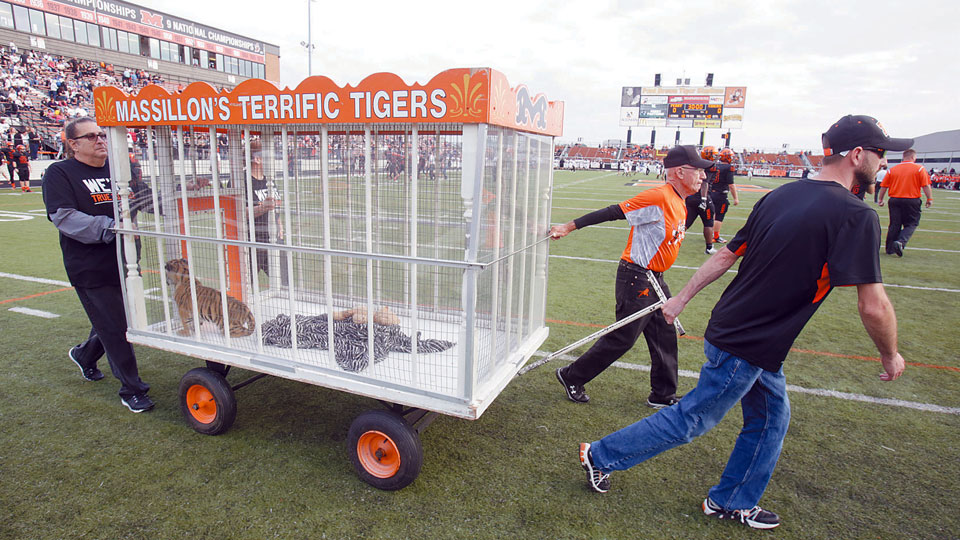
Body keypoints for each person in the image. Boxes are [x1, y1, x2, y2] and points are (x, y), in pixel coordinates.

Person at [574, 115, 908, 530]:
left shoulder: (782, 195)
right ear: (858, 155)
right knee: (694, 417)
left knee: (771, 418)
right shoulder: (856, 215)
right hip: (749, 340)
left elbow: (725, 254)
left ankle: (732, 499)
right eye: (880, 153)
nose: (883, 163)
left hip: (744, 333)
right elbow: (872, 304)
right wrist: (890, 354)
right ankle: (602, 455)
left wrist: (681, 298)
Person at [551, 145, 713, 409]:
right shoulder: (658, 197)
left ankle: (662, 394)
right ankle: (571, 376)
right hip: (636, 278)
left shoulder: (679, 201)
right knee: (624, 337)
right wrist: (569, 227)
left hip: (655, 278)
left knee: (664, 333)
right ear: (680, 172)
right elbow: (613, 211)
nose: (703, 176)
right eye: (698, 171)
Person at [42, 117, 154, 413]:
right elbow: (64, 218)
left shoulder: (121, 168)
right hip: (89, 267)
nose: (100, 140)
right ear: (74, 144)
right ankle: (132, 389)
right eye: (91, 136)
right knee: (116, 328)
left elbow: (146, 200)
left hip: (127, 261)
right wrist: (112, 228)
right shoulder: (59, 173)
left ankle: (84, 355)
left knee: (119, 321)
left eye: (102, 134)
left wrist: (182, 193)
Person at [877, 149, 932, 257]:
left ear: (904, 157)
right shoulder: (920, 169)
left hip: (894, 199)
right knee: (912, 223)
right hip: (912, 199)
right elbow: (925, 185)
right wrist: (929, 198)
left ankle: (889, 249)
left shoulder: (892, 170)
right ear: (913, 157)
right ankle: (901, 242)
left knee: (894, 224)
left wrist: (880, 199)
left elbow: (884, 186)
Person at [683, 146, 717, 254]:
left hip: (691, 197)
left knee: (684, 223)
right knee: (708, 223)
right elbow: (705, 183)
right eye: (714, 154)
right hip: (702, 198)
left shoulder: (695, 164)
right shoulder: (709, 166)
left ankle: (672, 242)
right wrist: (703, 199)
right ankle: (709, 247)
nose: (716, 157)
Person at [710, 148, 739, 243]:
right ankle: (715, 237)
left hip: (711, 193)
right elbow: (731, 184)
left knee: (712, 216)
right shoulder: (729, 167)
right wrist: (735, 198)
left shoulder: (715, 165)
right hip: (721, 195)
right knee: (719, 217)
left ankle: (710, 235)